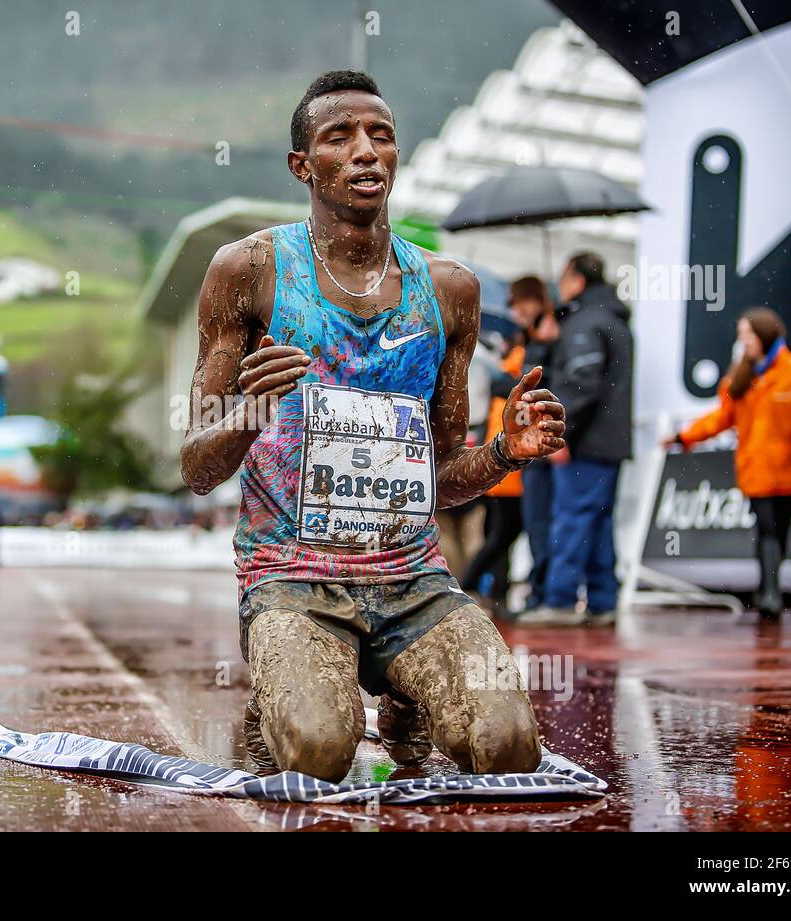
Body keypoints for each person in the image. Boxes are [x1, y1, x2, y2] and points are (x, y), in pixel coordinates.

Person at [180, 70, 567, 782]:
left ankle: (405, 692)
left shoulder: (449, 292)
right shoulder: (250, 271)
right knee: (320, 752)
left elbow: (441, 482)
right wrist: (251, 413)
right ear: (303, 166)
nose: (366, 151)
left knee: (510, 748)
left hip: (411, 581)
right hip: (292, 581)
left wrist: (506, 451)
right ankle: (279, 698)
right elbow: (196, 467)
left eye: (381, 136)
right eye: (341, 137)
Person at [663, 308, 791, 619]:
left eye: (747, 334)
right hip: (757, 468)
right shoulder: (742, 376)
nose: (743, 341)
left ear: (763, 336)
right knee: (766, 528)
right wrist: (685, 436)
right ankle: (770, 594)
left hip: (787, 468)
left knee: (779, 530)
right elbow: (722, 417)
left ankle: (769, 589)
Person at [521, 253, 633, 627]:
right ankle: (603, 601)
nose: (560, 283)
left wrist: (557, 432)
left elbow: (583, 382)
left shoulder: (585, 322)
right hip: (610, 442)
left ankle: (560, 600)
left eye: (564, 276)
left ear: (578, 280)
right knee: (598, 523)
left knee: (570, 520)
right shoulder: (614, 320)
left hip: (584, 442)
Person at [463, 333, 526, 617]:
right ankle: (470, 585)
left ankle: (493, 592)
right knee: (500, 536)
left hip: (499, 475)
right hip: (505, 478)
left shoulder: (498, 378)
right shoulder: (508, 381)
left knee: (498, 536)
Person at [505, 277, 558, 611]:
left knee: (544, 523)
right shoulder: (527, 339)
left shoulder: (552, 337)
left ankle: (545, 593)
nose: (517, 311)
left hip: (546, 443)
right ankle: (540, 590)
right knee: (536, 522)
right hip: (530, 444)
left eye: (522, 303)